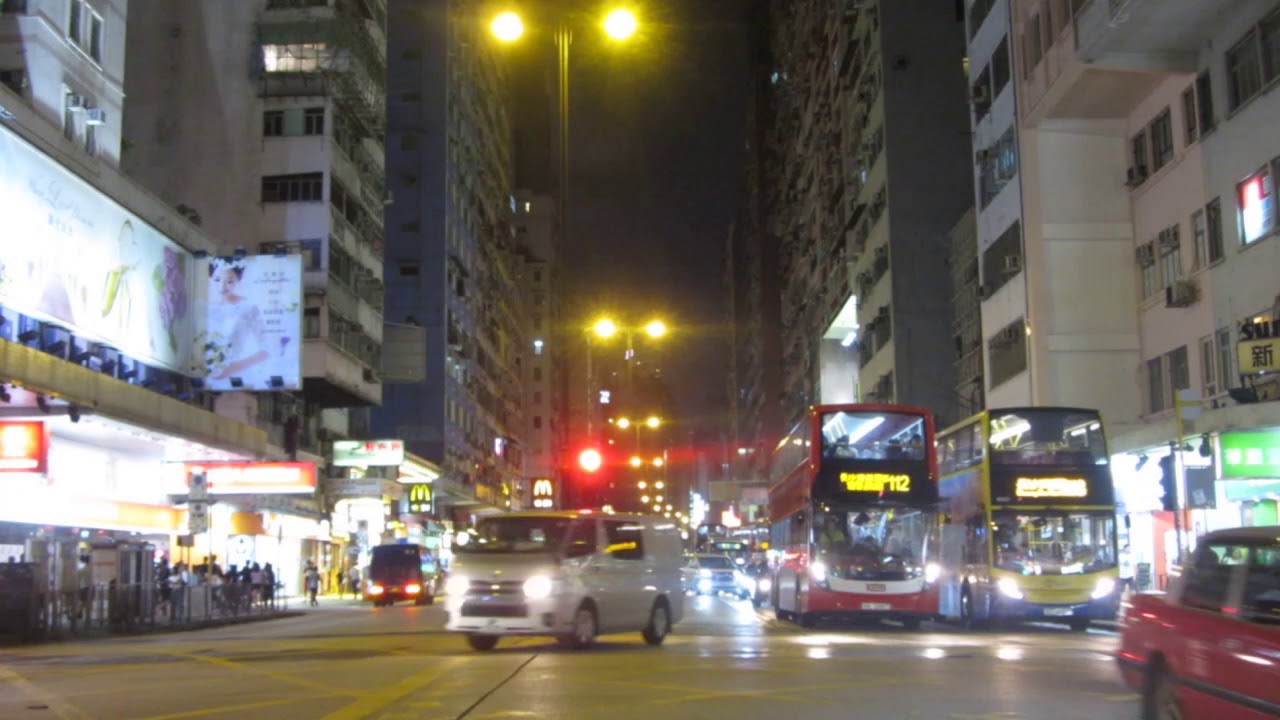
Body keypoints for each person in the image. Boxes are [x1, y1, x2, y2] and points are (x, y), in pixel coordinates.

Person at [203, 257, 270, 384]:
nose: (221, 287)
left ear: (238, 280)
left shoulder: (248, 308)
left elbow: (266, 349)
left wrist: (233, 367)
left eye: (229, 281)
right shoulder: (203, 307)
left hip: (237, 376)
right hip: (205, 377)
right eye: (217, 280)